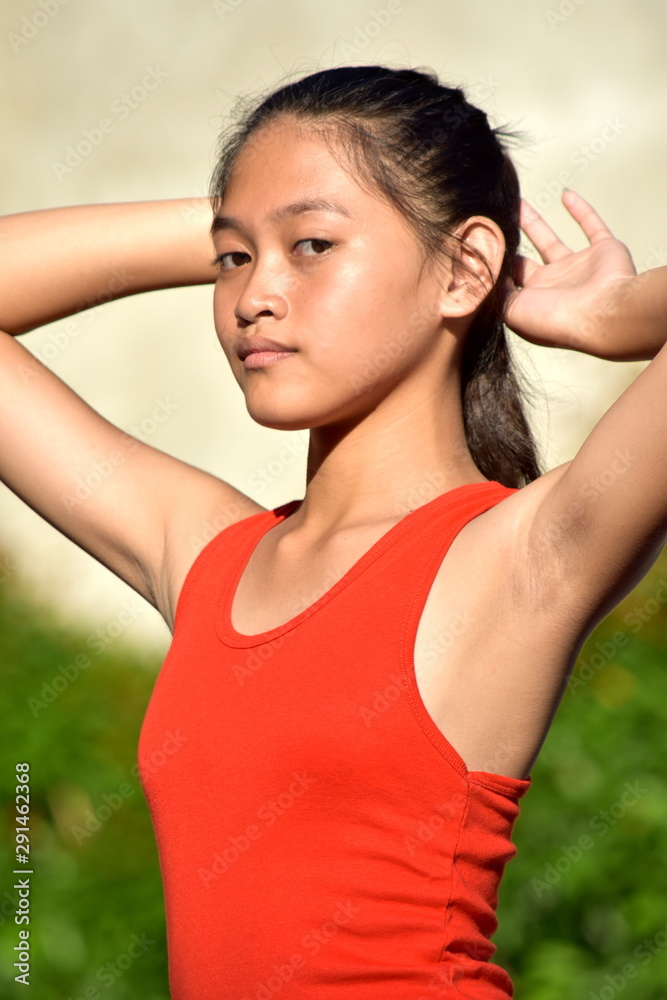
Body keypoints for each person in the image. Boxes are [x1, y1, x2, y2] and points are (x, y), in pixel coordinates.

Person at [1, 64, 665, 998]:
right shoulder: (205, 556)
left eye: (314, 246)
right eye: (230, 263)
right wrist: (254, 220)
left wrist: (606, 312)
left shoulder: (517, 556)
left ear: (466, 268)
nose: (252, 296)